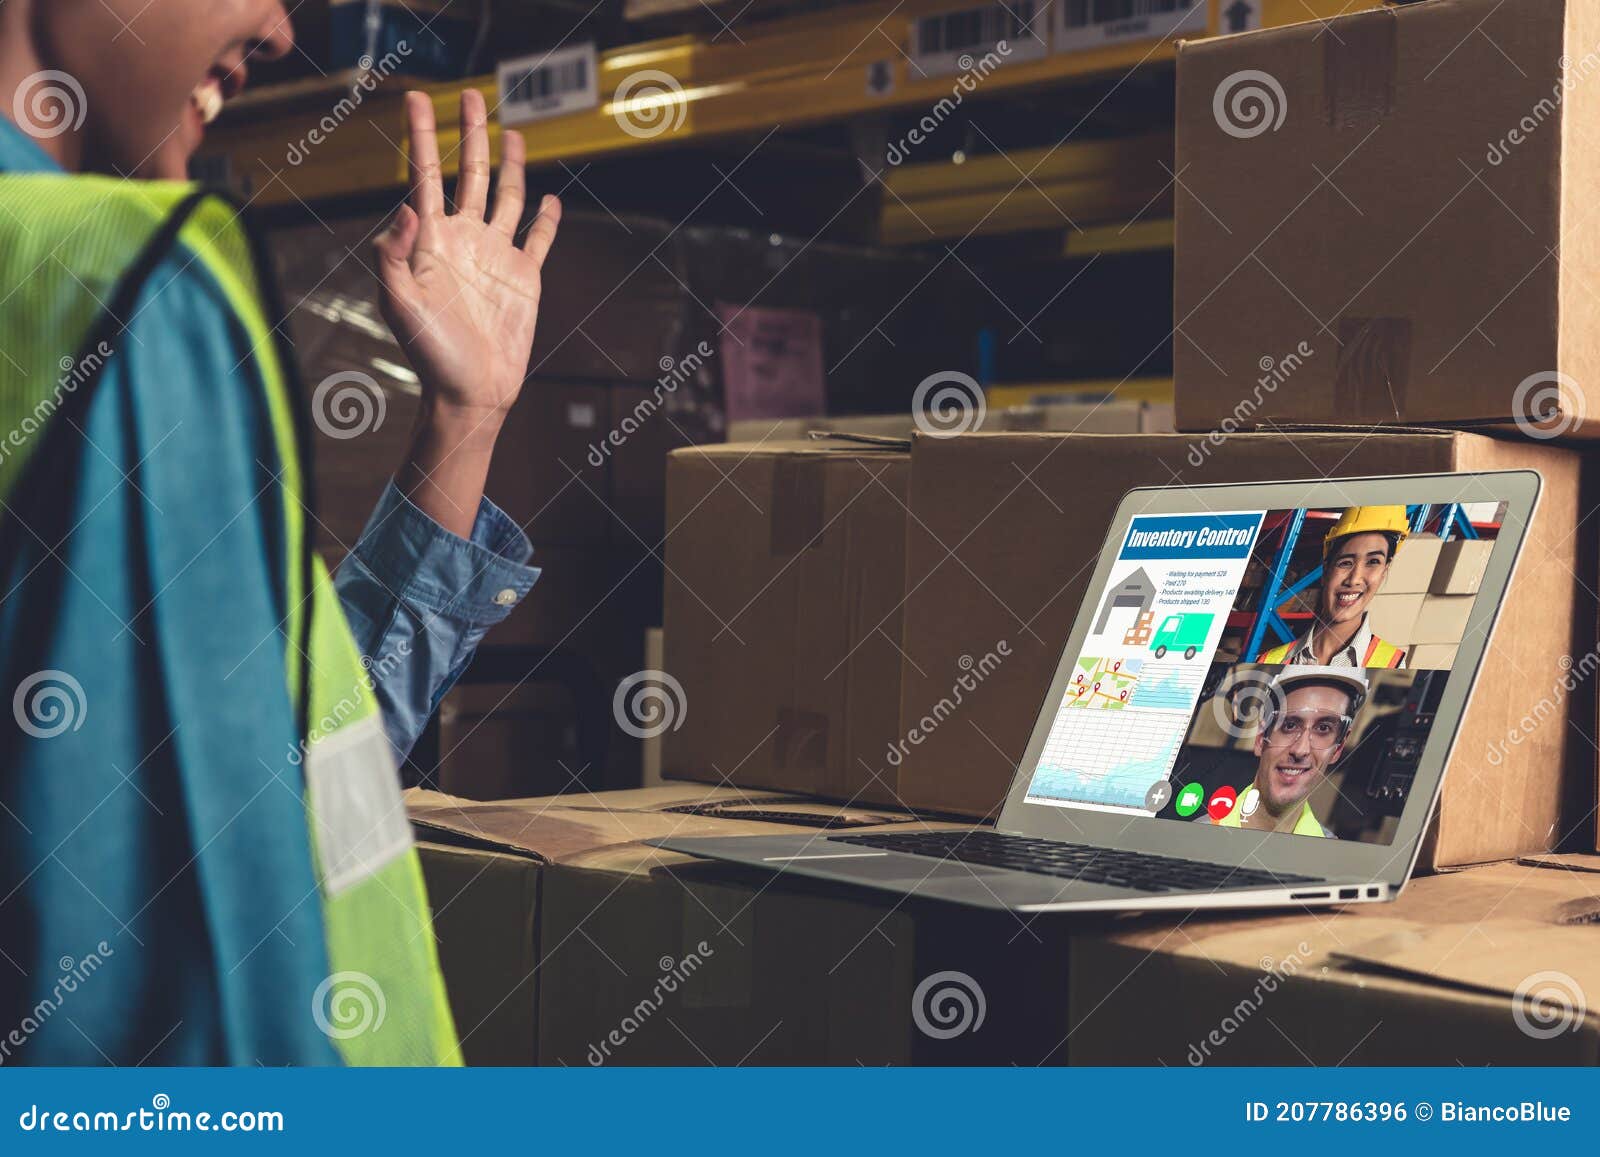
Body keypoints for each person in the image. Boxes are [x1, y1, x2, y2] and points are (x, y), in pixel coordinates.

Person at [0, 1, 561, 1064]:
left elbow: (277, 763)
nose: (278, 26)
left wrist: (464, 419)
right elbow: (185, 918)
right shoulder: (118, 287)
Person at [1206, 667, 1367, 838]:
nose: (1300, 750)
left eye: (1323, 728)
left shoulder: (1329, 858)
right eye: (1289, 725)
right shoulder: (1200, 835)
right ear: (1261, 737)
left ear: (1338, 748)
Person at [1258, 506, 1410, 669]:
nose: (1354, 580)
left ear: (1384, 573)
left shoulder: (1394, 665)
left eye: (1373, 562)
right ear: (1326, 571)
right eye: (1345, 563)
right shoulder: (1267, 662)